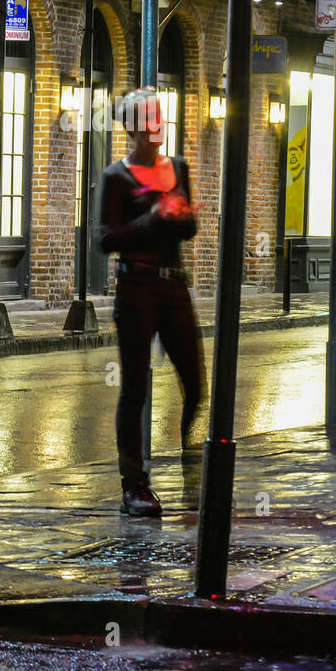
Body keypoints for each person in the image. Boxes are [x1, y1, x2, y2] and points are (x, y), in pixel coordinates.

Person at [100, 87, 206, 517]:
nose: (156, 127)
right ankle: (135, 486)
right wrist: (152, 217)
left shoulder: (178, 166)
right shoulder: (117, 177)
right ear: (132, 127)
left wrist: (183, 216)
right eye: (148, 120)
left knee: (197, 385)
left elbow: (190, 228)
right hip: (137, 286)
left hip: (174, 286)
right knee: (136, 388)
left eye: (159, 117)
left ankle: (195, 474)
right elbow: (108, 239)